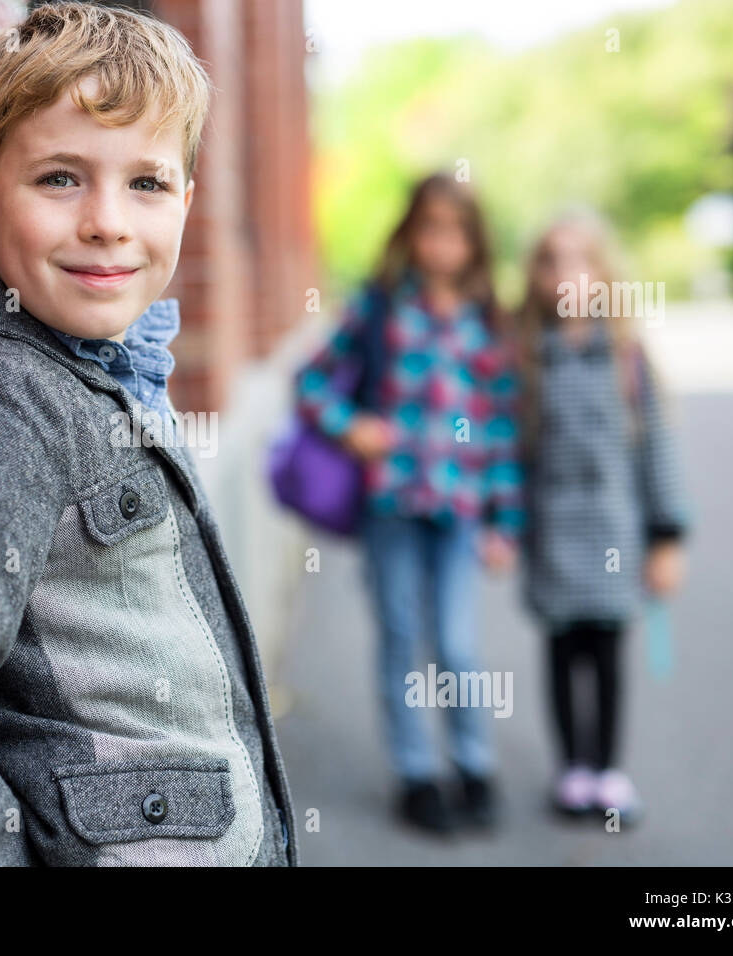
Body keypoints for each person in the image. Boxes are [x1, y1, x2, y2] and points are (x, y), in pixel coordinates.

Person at [0, 1, 297, 866]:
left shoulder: (102, 365)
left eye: (145, 183)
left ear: (185, 206)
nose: (107, 221)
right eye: (59, 179)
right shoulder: (2, 405)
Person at [294, 173, 523, 833]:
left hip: (460, 508)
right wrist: (350, 424)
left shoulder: (489, 322)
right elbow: (310, 380)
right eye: (429, 227)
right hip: (391, 504)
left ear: (474, 241)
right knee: (399, 637)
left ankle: (473, 765)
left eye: (455, 230)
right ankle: (416, 775)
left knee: (456, 643)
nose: (441, 243)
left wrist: (506, 523)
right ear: (410, 233)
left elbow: (501, 429)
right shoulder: (380, 307)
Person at [515, 208, 690, 826]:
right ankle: (574, 770)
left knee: (608, 654)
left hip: (615, 530)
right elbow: (512, 454)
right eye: (553, 261)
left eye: (581, 260)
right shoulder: (527, 359)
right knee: (562, 652)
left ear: (602, 273)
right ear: (536, 275)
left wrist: (666, 536)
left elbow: (656, 450)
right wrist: (502, 527)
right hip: (553, 534)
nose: (568, 275)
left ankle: (609, 769)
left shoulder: (626, 357)